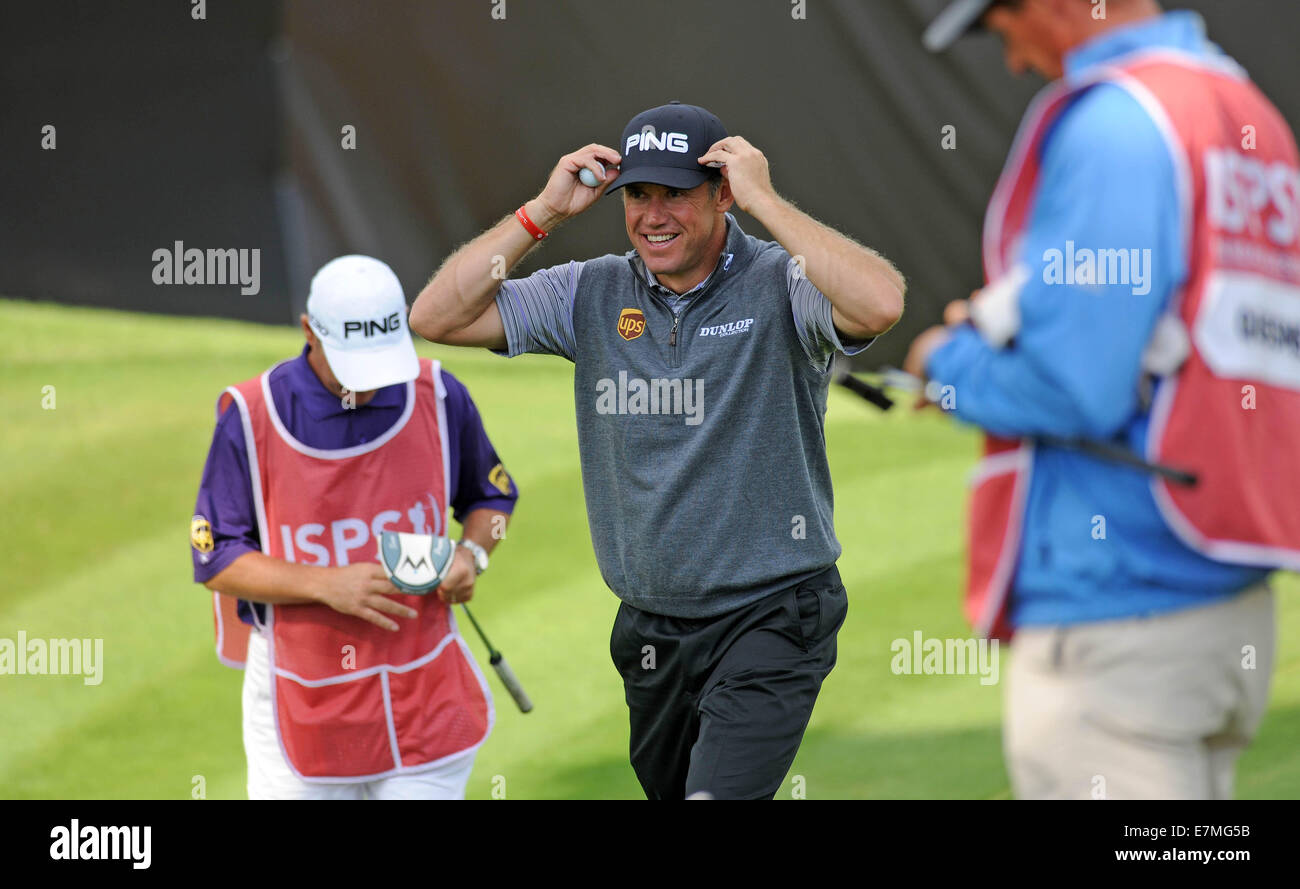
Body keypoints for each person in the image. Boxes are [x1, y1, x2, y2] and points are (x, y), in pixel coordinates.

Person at [410, 101, 905, 799]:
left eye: (676, 193)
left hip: (771, 615)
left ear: (721, 192)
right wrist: (542, 214)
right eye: (639, 194)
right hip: (650, 633)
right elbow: (435, 316)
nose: (653, 214)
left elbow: (880, 302)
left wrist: (765, 199)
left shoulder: (783, 283)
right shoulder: (592, 290)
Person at [911, 0, 1300, 798]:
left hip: (1119, 615)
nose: (1014, 59)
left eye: (1003, 24)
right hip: (1225, 604)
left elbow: (1072, 387)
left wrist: (944, 363)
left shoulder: (1120, 120)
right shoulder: (1240, 106)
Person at [191, 254, 519, 799]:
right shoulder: (250, 414)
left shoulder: (437, 393)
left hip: (425, 688)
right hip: (301, 694)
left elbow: (491, 496)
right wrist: (325, 584)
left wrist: (472, 556)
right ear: (308, 333)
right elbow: (217, 557)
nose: (368, 387)